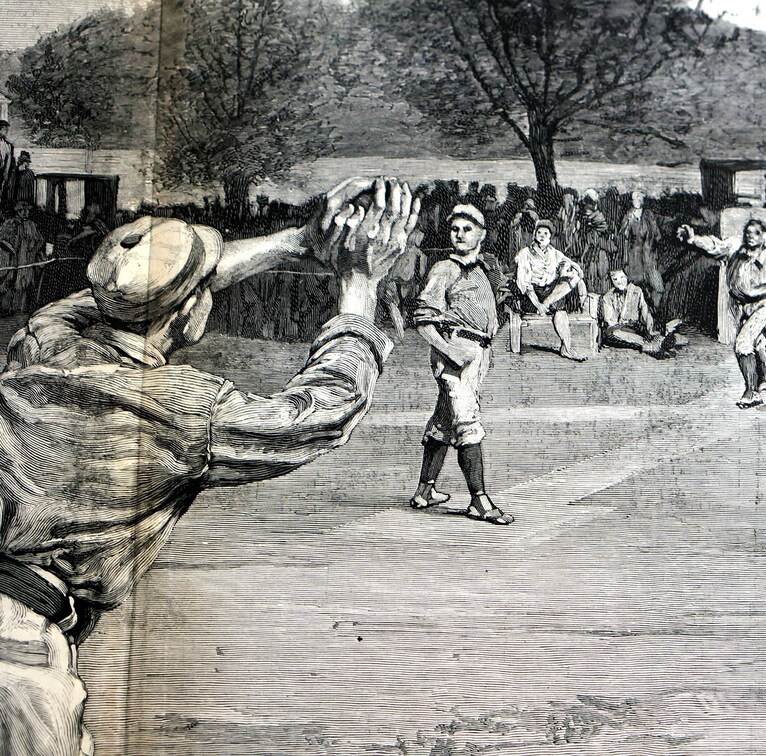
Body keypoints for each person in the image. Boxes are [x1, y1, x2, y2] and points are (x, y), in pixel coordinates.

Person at [0, 176, 418, 755]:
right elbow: (319, 414)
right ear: (191, 310)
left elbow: (115, 294)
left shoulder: (44, 343)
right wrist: (359, 284)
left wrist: (300, 239)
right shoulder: (183, 407)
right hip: (17, 659)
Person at [410, 204, 514, 526]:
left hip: (477, 353)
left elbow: (495, 307)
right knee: (467, 422)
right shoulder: (444, 269)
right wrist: (449, 351)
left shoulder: (485, 268)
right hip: (453, 351)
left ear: (481, 234)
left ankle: (425, 491)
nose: (459, 234)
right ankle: (479, 501)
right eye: (455, 229)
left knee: (444, 420)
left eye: (467, 229)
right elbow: (423, 320)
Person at [676, 218, 766, 408]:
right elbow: (715, 245)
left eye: (756, 233)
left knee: (743, 343)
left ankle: (751, 392)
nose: (751, 236)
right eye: (748, 232)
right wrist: (693, 240)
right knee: (757, 343)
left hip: (761, 306)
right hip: (739, 307)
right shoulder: (735, 248)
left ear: (764, 237)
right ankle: (764, 379)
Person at [513, 219, 590, 361]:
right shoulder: (525, 253)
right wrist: (538, 305)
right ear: (535, 235)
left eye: (545, 233)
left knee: (561, 312)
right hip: (532, 296)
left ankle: (566, 348)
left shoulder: (554, 253)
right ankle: (545, 304)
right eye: (539, 233)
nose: (542, 236)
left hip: (550, 294)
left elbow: (572, 266)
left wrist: (573, 269)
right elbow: (524, 283)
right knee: (550, 301)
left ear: (550, 237)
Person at [599, 268, 681, 358]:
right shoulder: (608, 296)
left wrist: (650, 329)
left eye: (622, 277)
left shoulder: (636, 291)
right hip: (618, 329)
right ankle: (649, 345)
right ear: (611, 281)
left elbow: (645, 311)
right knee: (614, 334)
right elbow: (609, 320)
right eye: (615, 279)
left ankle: (659, 342)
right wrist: (620, 324)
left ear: (627, 277)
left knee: (645, 332)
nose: (619, 282)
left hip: (633, 327)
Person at [618, 190, 665, 311]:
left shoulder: (648, 215)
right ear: (632, 201)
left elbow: (657, 235)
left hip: (649, 257)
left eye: (640, 197)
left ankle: (655, 311)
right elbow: (623, 236)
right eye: (635, 198)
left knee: (658, 287)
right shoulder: (629, 215)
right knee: (636, 287)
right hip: (634, 258)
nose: (638, 200)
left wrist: (652, 245)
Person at [0, 200, 46, 314]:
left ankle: (20, 309)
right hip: (12, 259)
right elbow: (2, 240)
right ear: (17, 211)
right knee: (8, 283)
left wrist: (34, 248)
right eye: (21, 211)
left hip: (27, 260)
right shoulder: (9, 224)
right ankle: (6, 308)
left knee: (24, 284)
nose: (25, 213)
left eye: (27, 211)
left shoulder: (31, 225)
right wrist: (10, 251)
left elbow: (40, 240)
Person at [577, 188, 615, 294]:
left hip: (600, 255)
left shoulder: (601, 219)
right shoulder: (585, 222)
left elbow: (609, 240)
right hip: (590, 255)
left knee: (601, 277)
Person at [0, 120, 14, 207]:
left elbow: (10, 160)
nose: (7, 132)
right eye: (5, 130)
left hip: (4, 173)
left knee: (2, 193)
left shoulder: (8, 145)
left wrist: (7, 173)